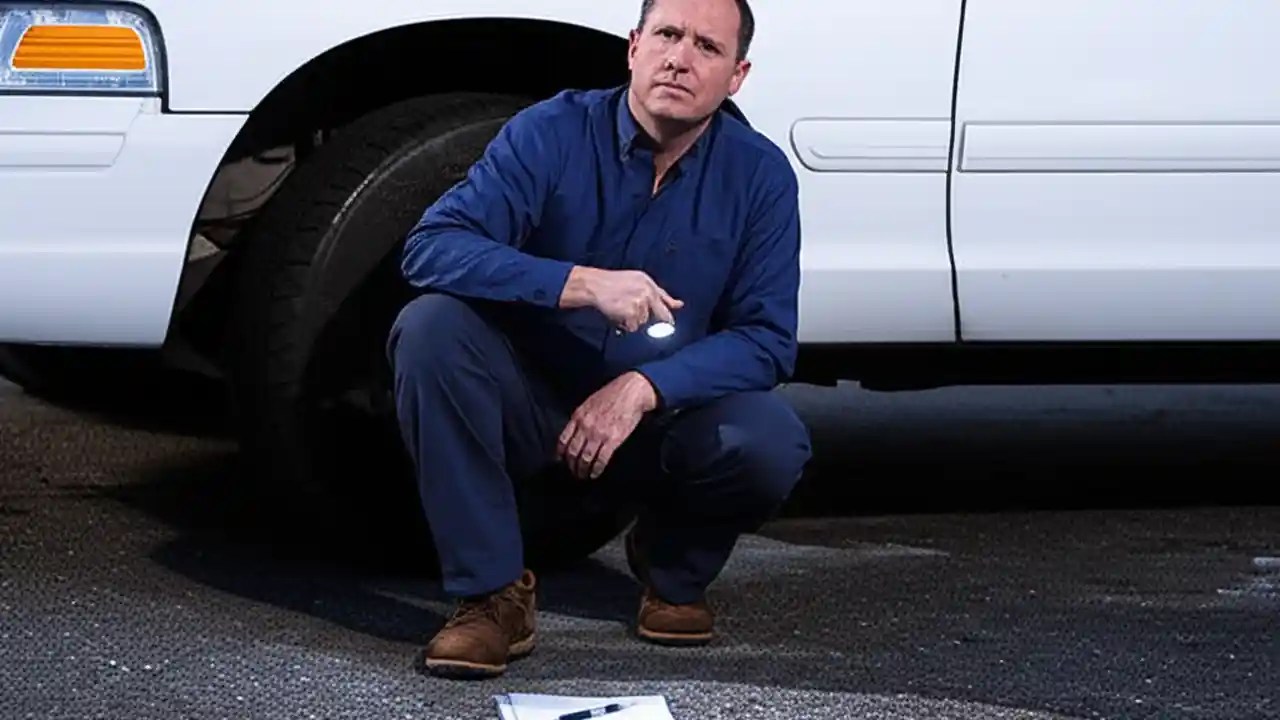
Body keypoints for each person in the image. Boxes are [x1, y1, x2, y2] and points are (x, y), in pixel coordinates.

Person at [386, 0, 811, 679]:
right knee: (431, 328)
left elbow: (766, 341)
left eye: (707, 46)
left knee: (770, 438)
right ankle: (489, 596)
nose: (680, 57)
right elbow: (433, 249)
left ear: (737, 75)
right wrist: (578, 283)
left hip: (658, 424)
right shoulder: (550, 132)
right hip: (529, 404)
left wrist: (645, 388)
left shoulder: (760, 176)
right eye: (667, 35)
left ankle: (672, 568)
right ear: (634, 46)